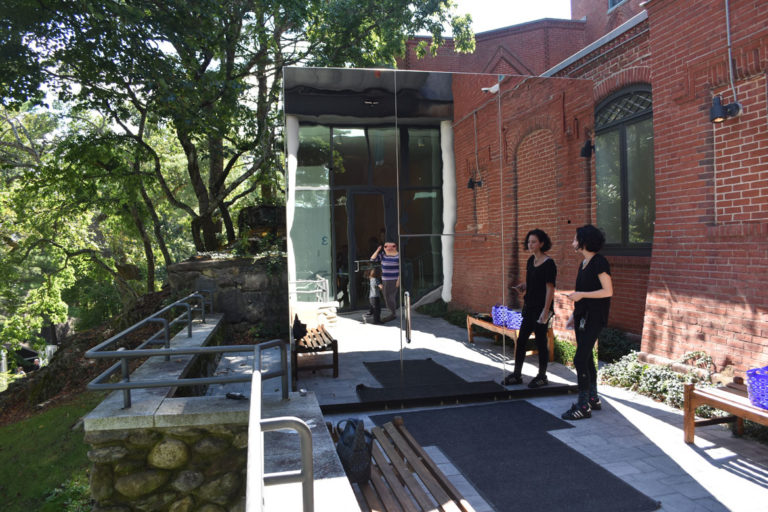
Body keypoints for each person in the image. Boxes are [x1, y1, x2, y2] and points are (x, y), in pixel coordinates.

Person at [561, 224, 613, 420]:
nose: (573, 242)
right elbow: (583, 294)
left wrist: (581, 295)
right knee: (587, 358)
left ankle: (583, 406)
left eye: (575, 239)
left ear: (583, 242)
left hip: (595, 318)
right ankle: (593, 398)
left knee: (579, 359)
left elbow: (608, 291)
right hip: (583, 317)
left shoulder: (600, 262)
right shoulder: (583, 263)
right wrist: (574, 315)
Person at [502, 229, 556, 388]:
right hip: (529, 307)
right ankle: (517, 375)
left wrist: (546, 312)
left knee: (540, 342)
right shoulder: (530, 261)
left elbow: (550, 289)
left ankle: (542, 376)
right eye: (528, 242)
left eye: (533, 242)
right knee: (521, 340)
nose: (530, 244)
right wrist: (523, 286)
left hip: (541, 309)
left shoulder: (549, 263)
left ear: (542, 243)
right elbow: (533, 283)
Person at [370, 240, 399, 322]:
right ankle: (391, 312)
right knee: (386, 296)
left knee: (391, 297)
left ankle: (393, 313)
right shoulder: (383, 255)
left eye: (392, 246)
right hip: (385, 279)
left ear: (395, 247)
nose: (389, 248)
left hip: (394, 280)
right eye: (386, 246)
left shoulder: (398, 256)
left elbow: (401, 269)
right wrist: (378, 250)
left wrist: (398, 280)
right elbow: (372, 259)